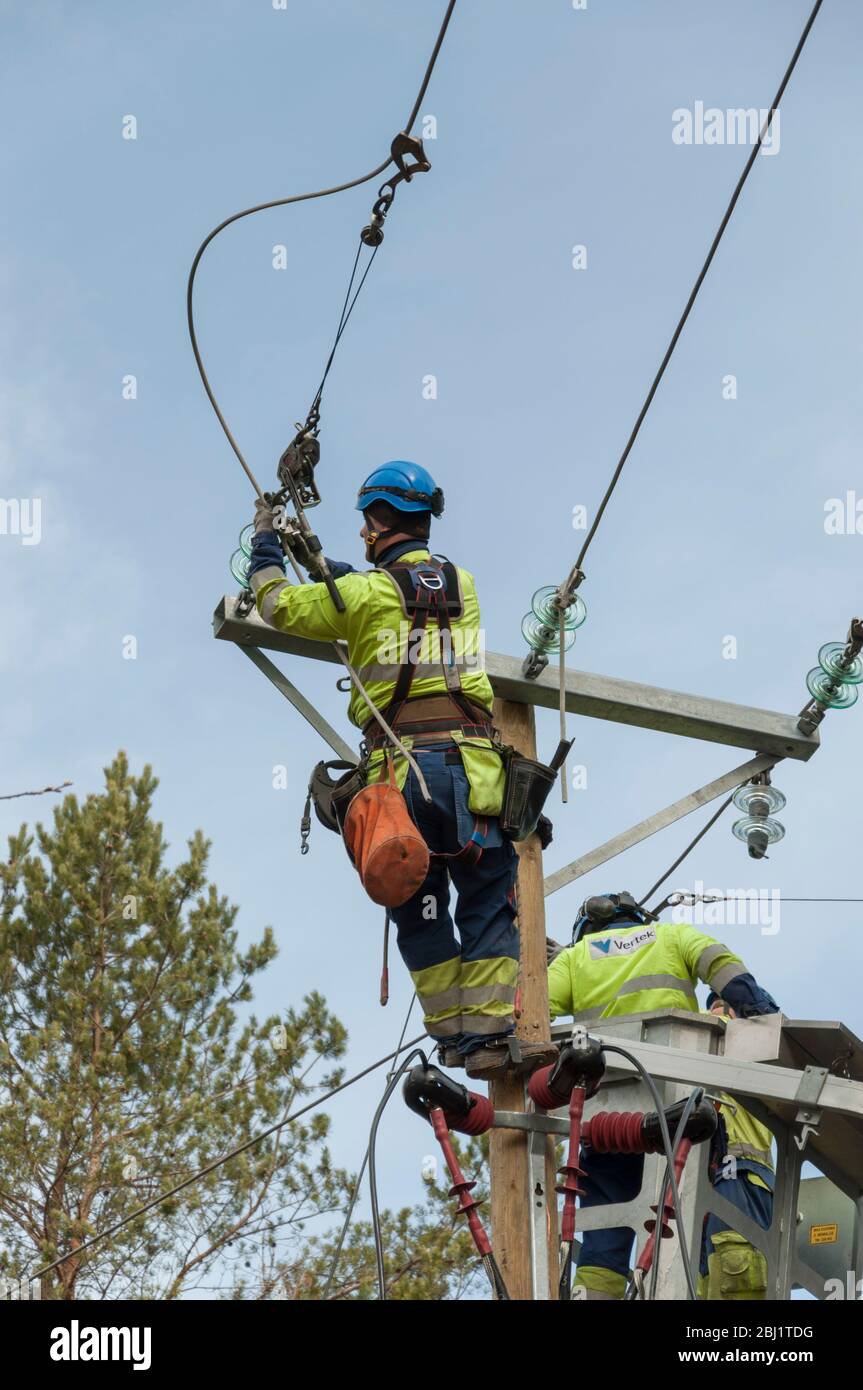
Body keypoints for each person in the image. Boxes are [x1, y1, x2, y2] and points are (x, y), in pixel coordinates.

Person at [248, 461, 547, 1079]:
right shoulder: (463, 585)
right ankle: (489, 1039)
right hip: (476, 777)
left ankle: (452, 1038)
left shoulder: (361, 595)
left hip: (401, 778)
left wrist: (267, 548)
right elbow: (386, 595)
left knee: (418, 902)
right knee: (490, 899)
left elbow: (281, 607)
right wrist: (323, 561)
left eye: (366, 522)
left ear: (378, 520)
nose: (362, 532)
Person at [546, 891, 778, 1300]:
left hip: (608, 1123)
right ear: (638, 918)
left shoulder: (573, 958)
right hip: (676, 1110)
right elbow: (725, 969)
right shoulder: (672, 936)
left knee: (603, 1234)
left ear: (588, 929)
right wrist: (764, 1015)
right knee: (678, 1229)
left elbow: (531, 1017)